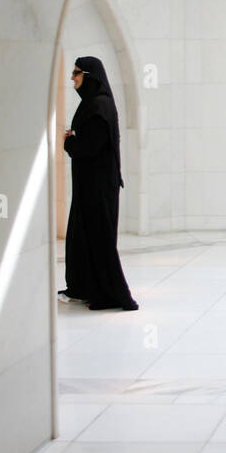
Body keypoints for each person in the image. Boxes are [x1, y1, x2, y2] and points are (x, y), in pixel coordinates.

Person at [60, 56, 138, 311]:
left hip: (98, 188)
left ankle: (111, 295)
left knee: (99, 240)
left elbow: (90, 146)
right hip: (91, 186)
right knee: (84, 237)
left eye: (77, 72)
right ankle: (85, 288)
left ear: (90, 76)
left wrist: (69, 142)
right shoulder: (94, 104)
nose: (72, 77)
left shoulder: (98, 106)